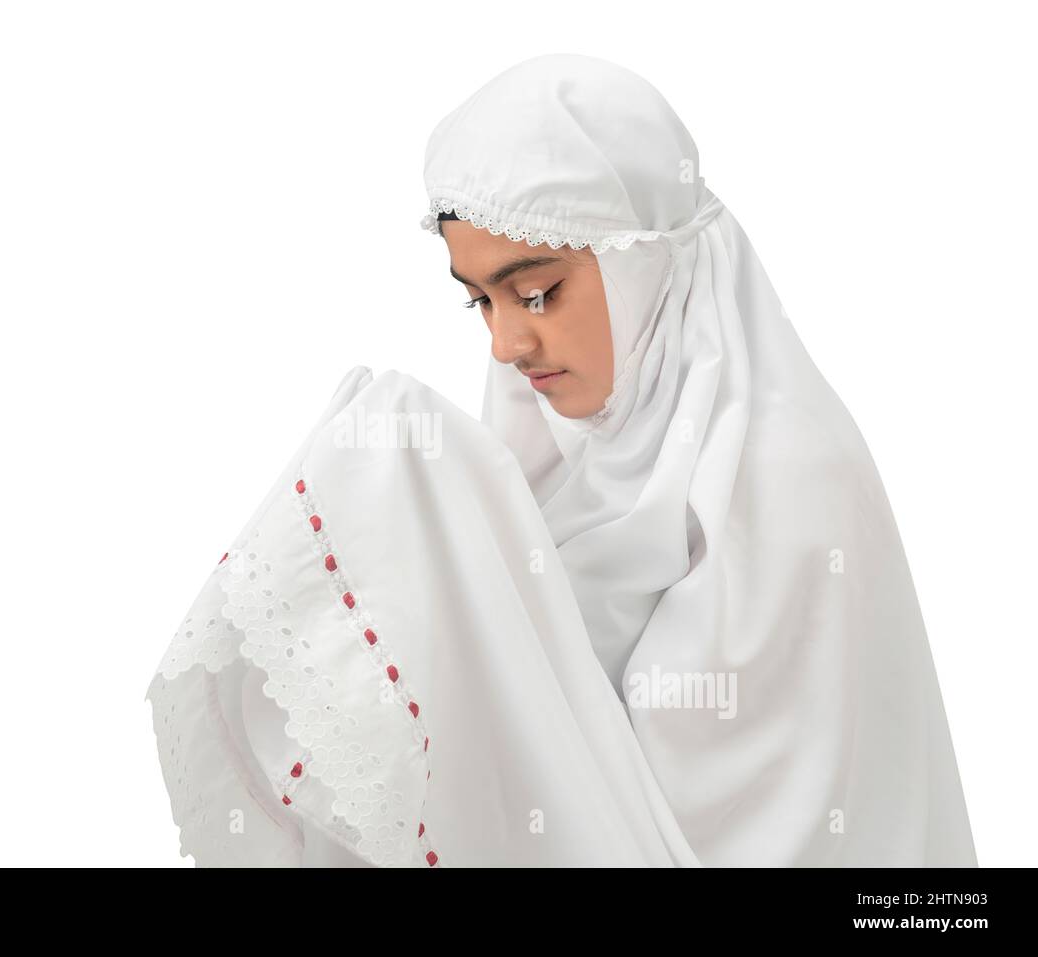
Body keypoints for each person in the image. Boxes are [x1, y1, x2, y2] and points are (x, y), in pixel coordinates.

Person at [144, 53, 977, 867]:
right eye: (479, 301)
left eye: (534, 291)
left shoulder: (787, 477)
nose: (506, 344)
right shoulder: (563, 445)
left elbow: (714, 825)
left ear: (646, 259)